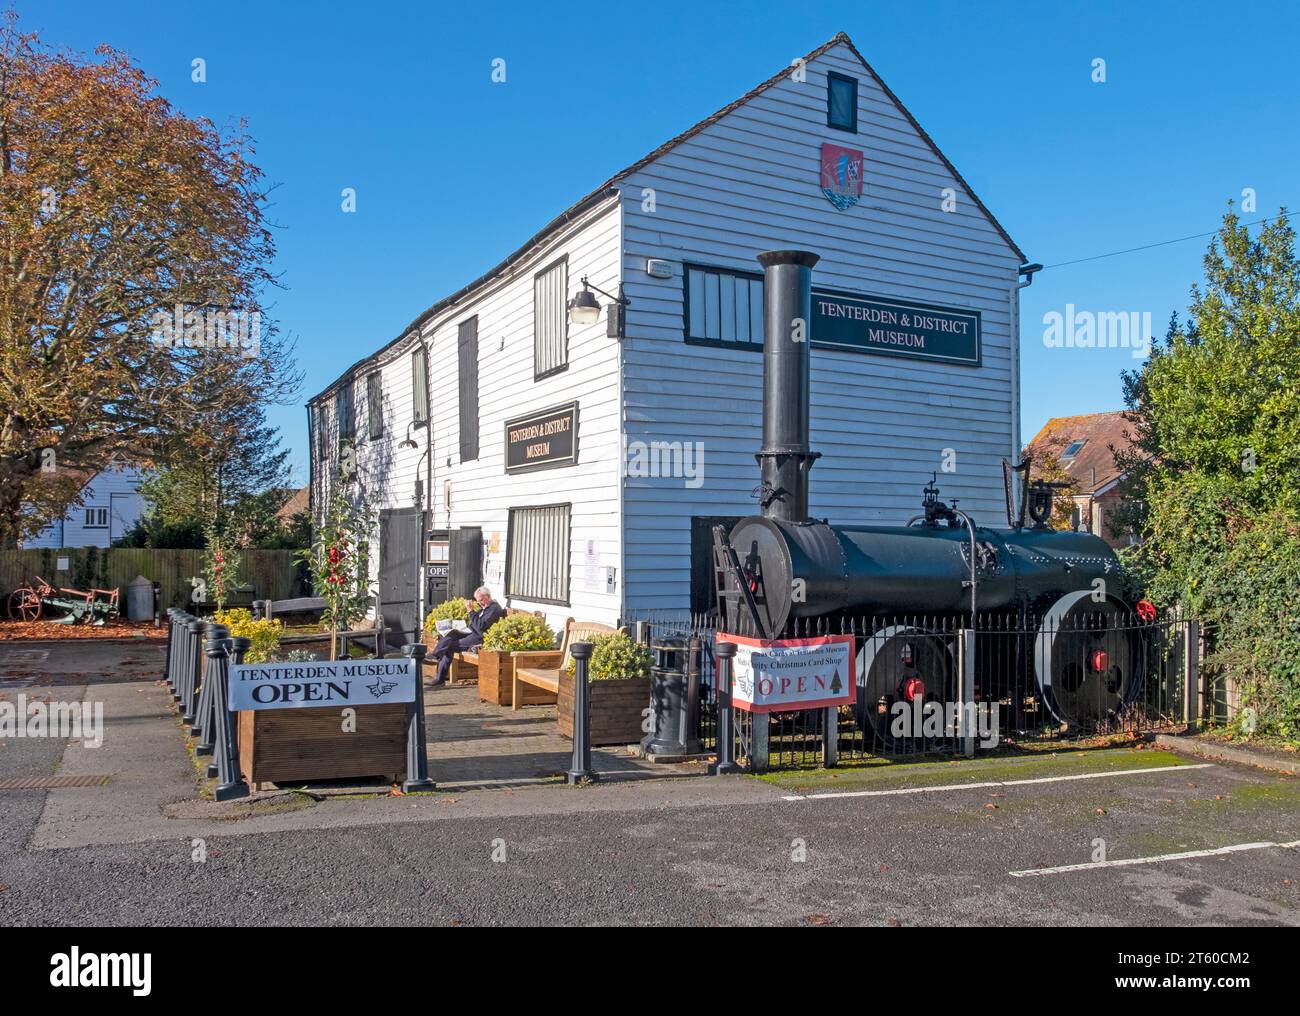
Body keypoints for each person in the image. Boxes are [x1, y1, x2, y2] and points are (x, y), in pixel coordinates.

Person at [430, 586, 503, 686]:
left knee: (449, 647)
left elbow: (480, 626)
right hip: (470, 632)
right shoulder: (484, 608)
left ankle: (440, 678)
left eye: (481, 600)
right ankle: (435, 656)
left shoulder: (494, 609)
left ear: (489, 596)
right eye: (478, 601)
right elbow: (475, 623)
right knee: (449, 634)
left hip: (478, 637)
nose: (480, 603)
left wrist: (471, 611)